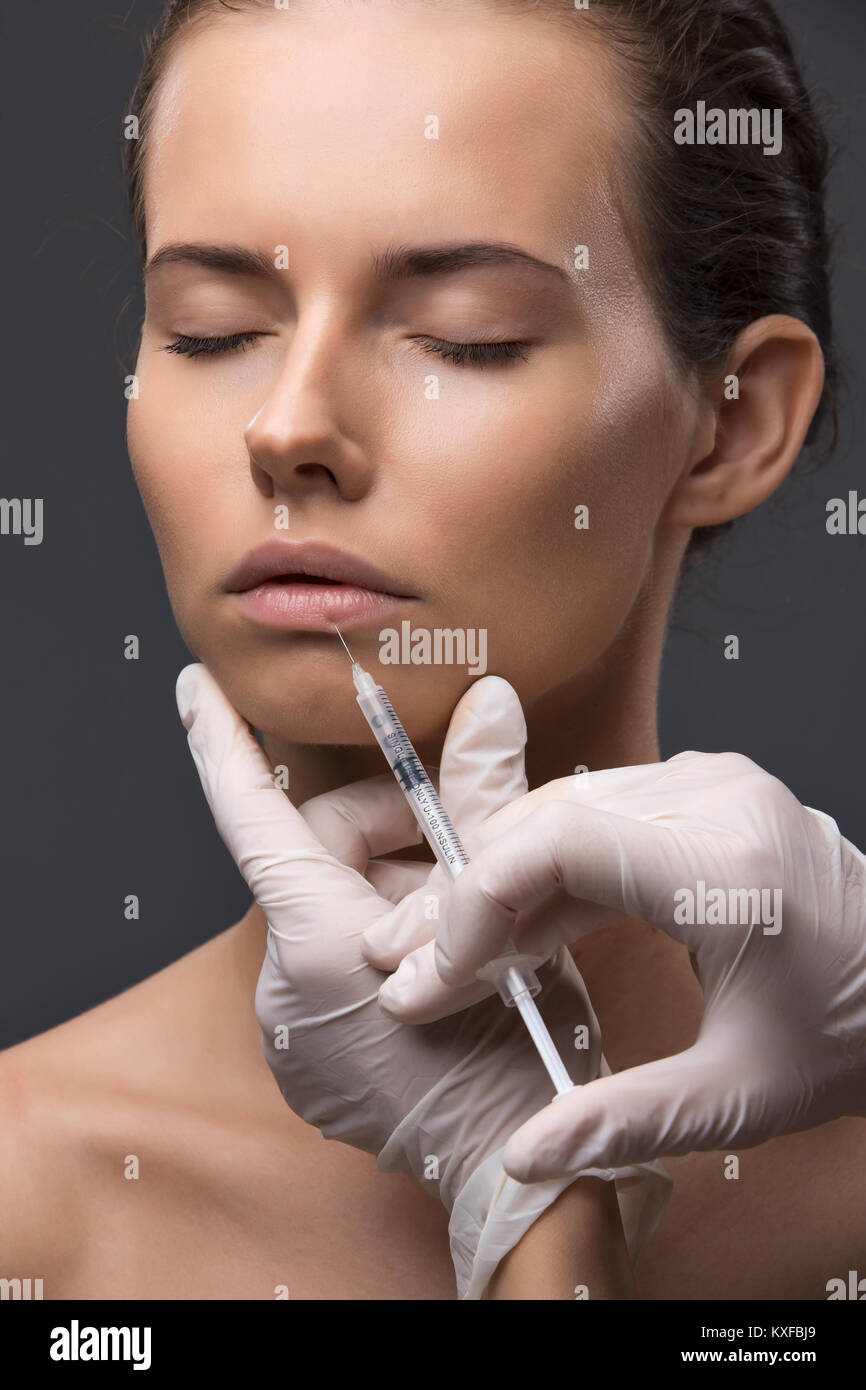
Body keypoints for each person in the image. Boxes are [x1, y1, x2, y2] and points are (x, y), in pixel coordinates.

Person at [3, 0, 863, 1299]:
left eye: (463, 333)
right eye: (211, 327)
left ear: (729, 425)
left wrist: (536, 1205)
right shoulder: (31, 1207)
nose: (285, 427)